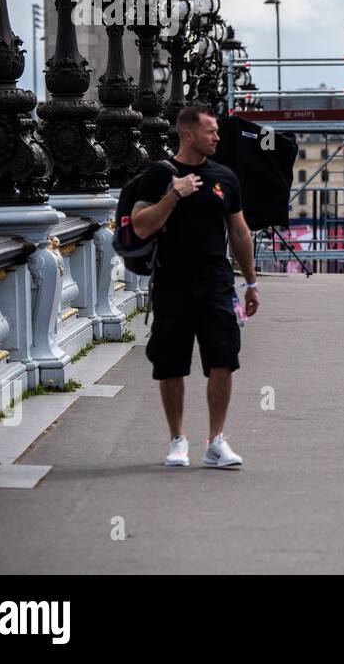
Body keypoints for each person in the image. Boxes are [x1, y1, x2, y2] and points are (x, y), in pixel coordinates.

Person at [132, 105, 261, 468]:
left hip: (216, 283)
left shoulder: (225, 177)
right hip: (171, 282)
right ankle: (177, 440)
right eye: (211, 131)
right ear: (188, 135)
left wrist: (251, 282)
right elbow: (141, 226)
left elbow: (239, 231)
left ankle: (215, 441)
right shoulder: (159, 175)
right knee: (171, 364)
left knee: (223, 360)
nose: (217, 137)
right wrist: (174, 196)